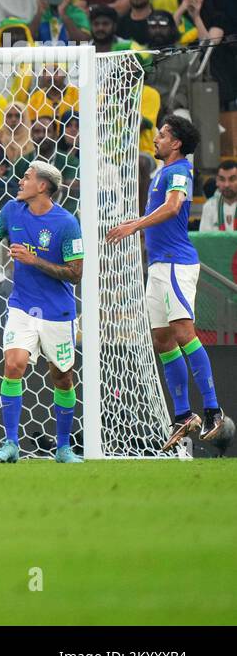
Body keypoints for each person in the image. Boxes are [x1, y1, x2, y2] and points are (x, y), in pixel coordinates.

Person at [108, 115, 227, 450]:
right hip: (160, 266)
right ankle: (184, 415)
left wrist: (136, 225)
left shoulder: (179, 171)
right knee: (162, 339)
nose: (156, 139)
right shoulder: (164, 172)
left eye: (162, 135)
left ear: (176, 143)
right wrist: (137, 221)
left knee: (183, 332)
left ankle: (213, 408)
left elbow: (174, 208)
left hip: (176, 264)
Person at [0, 161, 85, 463]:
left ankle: (63, 448)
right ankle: (10, 444)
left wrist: (32, 260)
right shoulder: (12, 210)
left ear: (42, 186)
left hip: (58, 312)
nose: (20, 181)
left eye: (26, 177)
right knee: (13, 365)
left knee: (62, 377)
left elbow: (75, 274)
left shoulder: (67, 224)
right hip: (22, 305)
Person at [199, 159, 237, 232]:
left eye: (232, 179)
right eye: (222, 179)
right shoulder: (209, 206)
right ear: (217, 181)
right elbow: (205, 240)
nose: (227, 185)